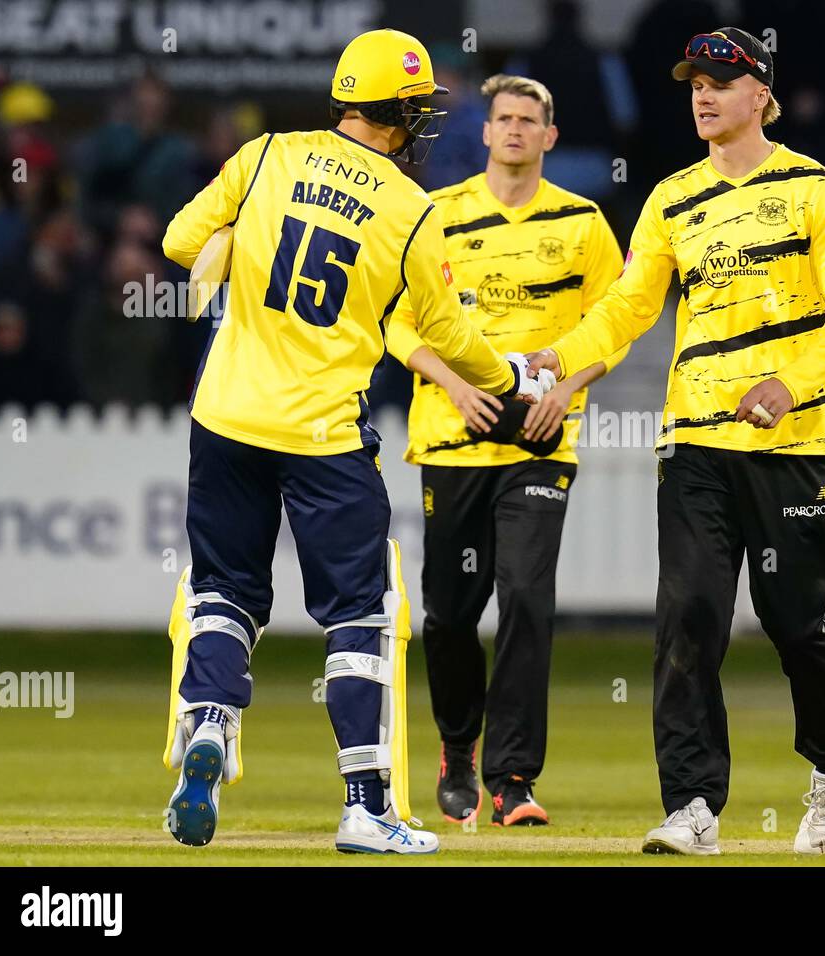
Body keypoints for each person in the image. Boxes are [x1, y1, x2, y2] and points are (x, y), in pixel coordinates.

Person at [158, 29, 549, 856]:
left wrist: (227, 248)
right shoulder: (414, 212)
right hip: (323, 435)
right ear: (402, 114)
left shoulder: (265, 154)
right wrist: (511, 379)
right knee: (360, 616)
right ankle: (366, 806)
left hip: (224, 417)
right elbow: (453, 336)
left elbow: (179, 241)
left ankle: (212, 725)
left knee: (225, 592)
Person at [528, 28, 825, 856]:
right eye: (694, 81)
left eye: (722, 79)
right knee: (687, 618)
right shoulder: (670, 198)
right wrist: (565, 356)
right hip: (694, 441)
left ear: (763, 92)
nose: (703, 93)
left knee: (796, 622)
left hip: (790, 440)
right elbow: (627, 306)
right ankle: (692, 805)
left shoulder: (813, 188)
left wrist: (789, 384)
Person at [389, 74, 626, 827]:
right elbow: (395, 319)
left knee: (526, 598)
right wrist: (451, 385)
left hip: (538, 441)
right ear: (485, 134)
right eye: (504, 119)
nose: (517, 129)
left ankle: (513, 778)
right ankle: (457, 749)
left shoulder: (584, 223)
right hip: (454, 435)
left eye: (530, 119)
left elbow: (616, 322)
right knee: (451, 614)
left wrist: (566, 387)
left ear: (551, 137)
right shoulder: (436, 216)